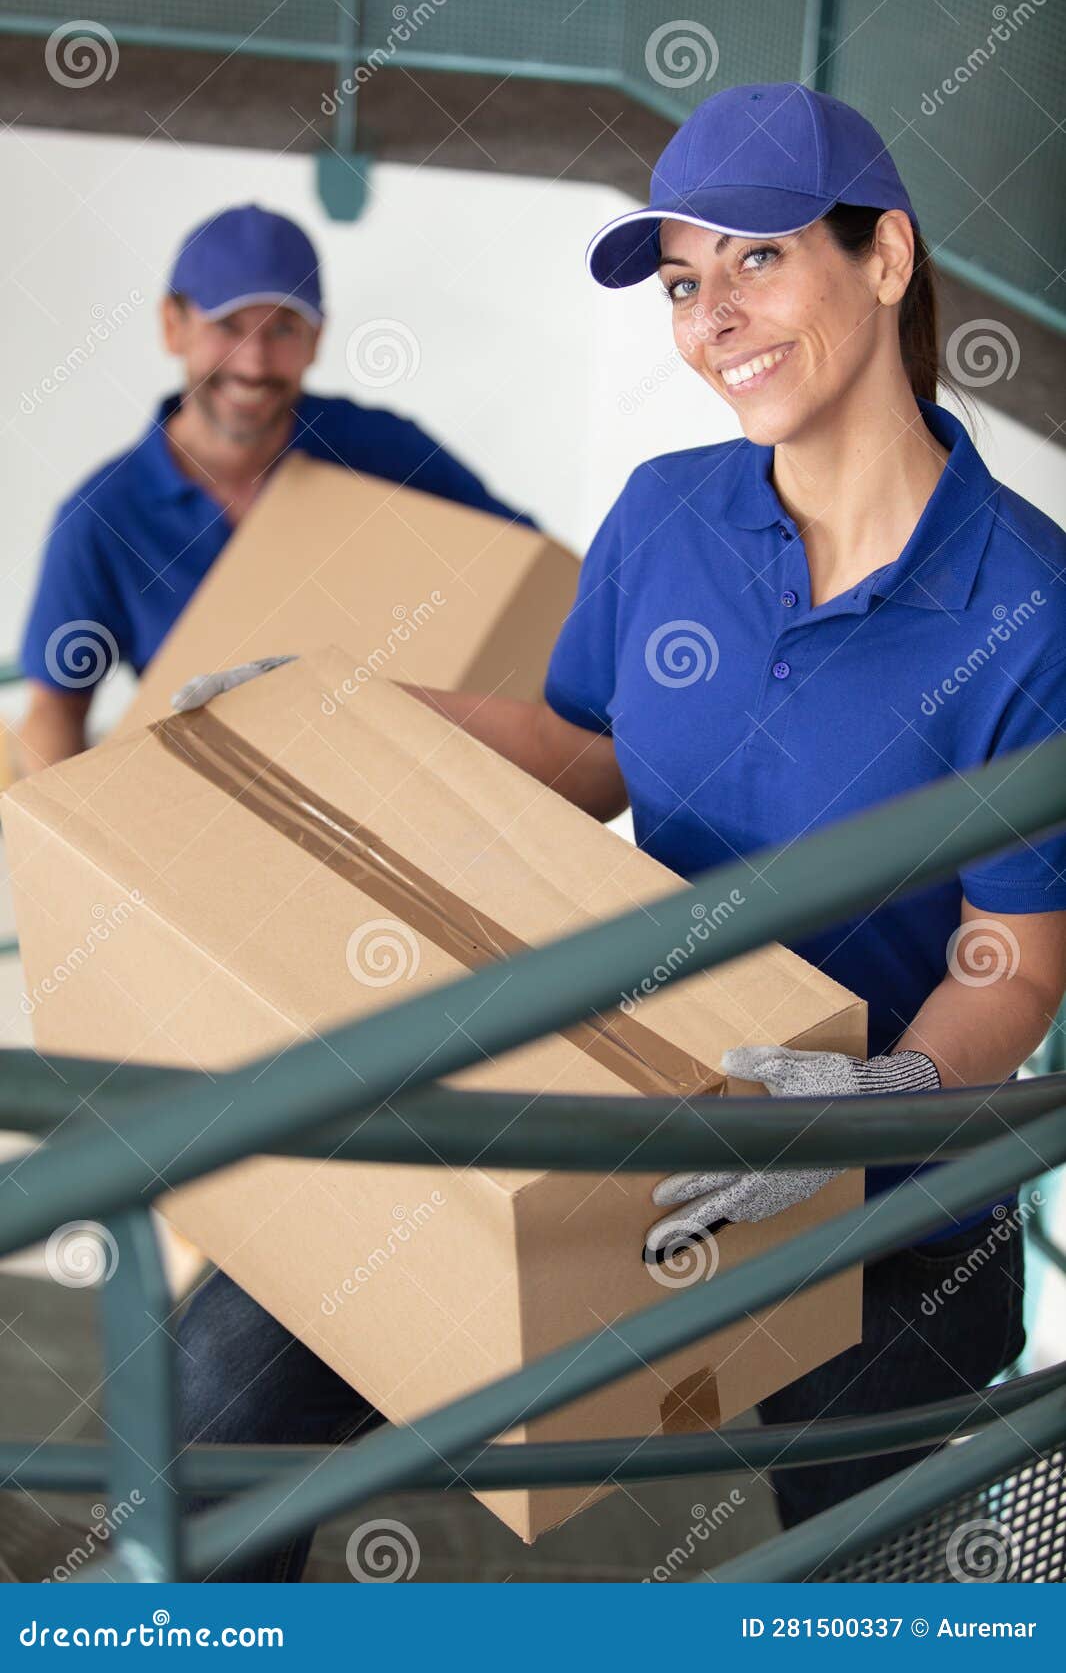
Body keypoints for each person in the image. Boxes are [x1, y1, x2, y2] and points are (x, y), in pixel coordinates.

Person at [173, 84, 1066, 1576]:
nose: (711, 314)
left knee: (863, 1552)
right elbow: (584, 750)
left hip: (876, 1189)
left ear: (887, 258)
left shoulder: (1027, 605)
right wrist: (337, 705)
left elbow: (1017, 963)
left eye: (757, 258)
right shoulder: (666, 515)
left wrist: (882, 1100)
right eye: (680, 283)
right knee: (220, 1379)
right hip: (625, 1081)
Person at [13, 204, 534, 775]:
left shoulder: (384, 451)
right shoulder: (102, 518)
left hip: (394, 776)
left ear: (317, 338)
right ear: (172, 325)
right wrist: (62, 843)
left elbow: (527, 575)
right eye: (227, 327)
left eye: (283, 328)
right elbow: (55, 708)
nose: (254, 363)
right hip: (214, 805)